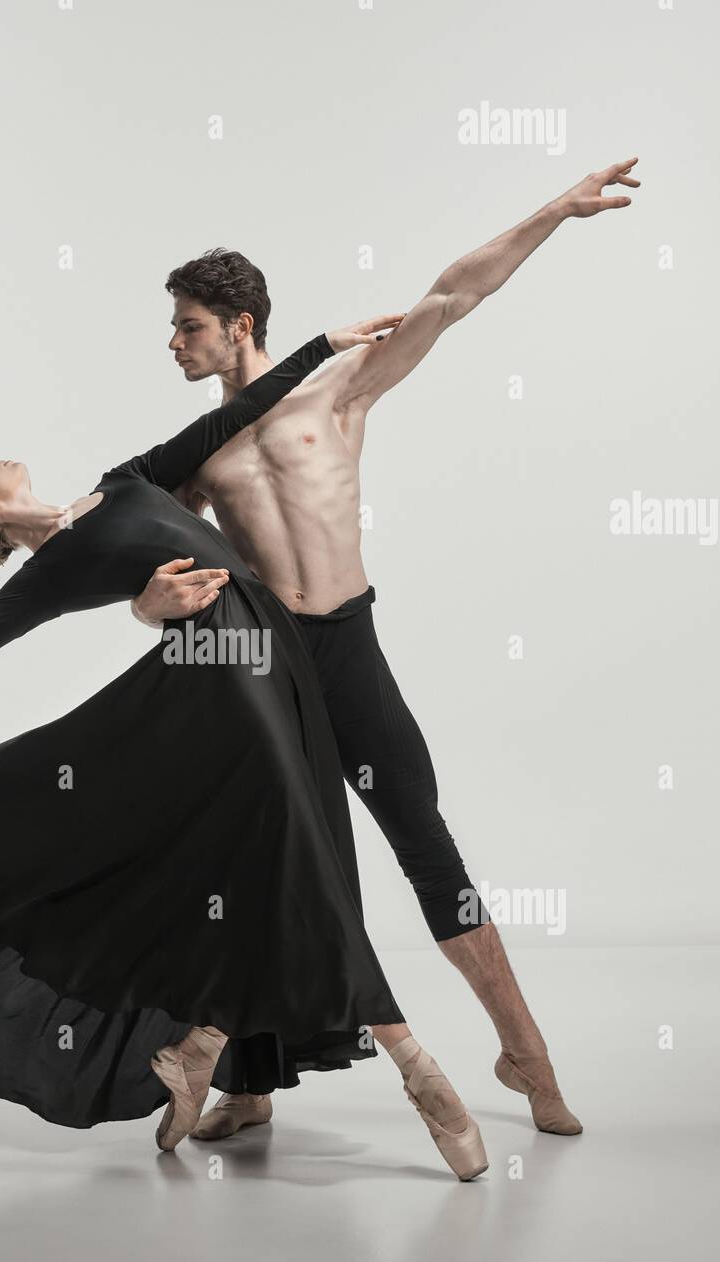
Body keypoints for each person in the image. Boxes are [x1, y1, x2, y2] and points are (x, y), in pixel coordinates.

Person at [0, 319, 489, 1180]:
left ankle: (202, 1041)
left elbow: (234, 415)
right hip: (223, 675)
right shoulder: (46, 576)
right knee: (305, 858)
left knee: (287, 857)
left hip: (278, 657)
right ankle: (421, 1073)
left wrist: (323, 345)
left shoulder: (125, 481)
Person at [130, 159, 640, 1141]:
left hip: (347, 653)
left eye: (187, 325)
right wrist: (153, 604)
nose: (173, 342)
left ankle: (524, 1051)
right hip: (266, 670)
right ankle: (247, 1084)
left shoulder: (336, 392)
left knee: (422, 841)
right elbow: (146, 565)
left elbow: (454, 295)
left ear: (239, 326)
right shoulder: (195, 454)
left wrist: (557, 209)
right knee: (254, 866)